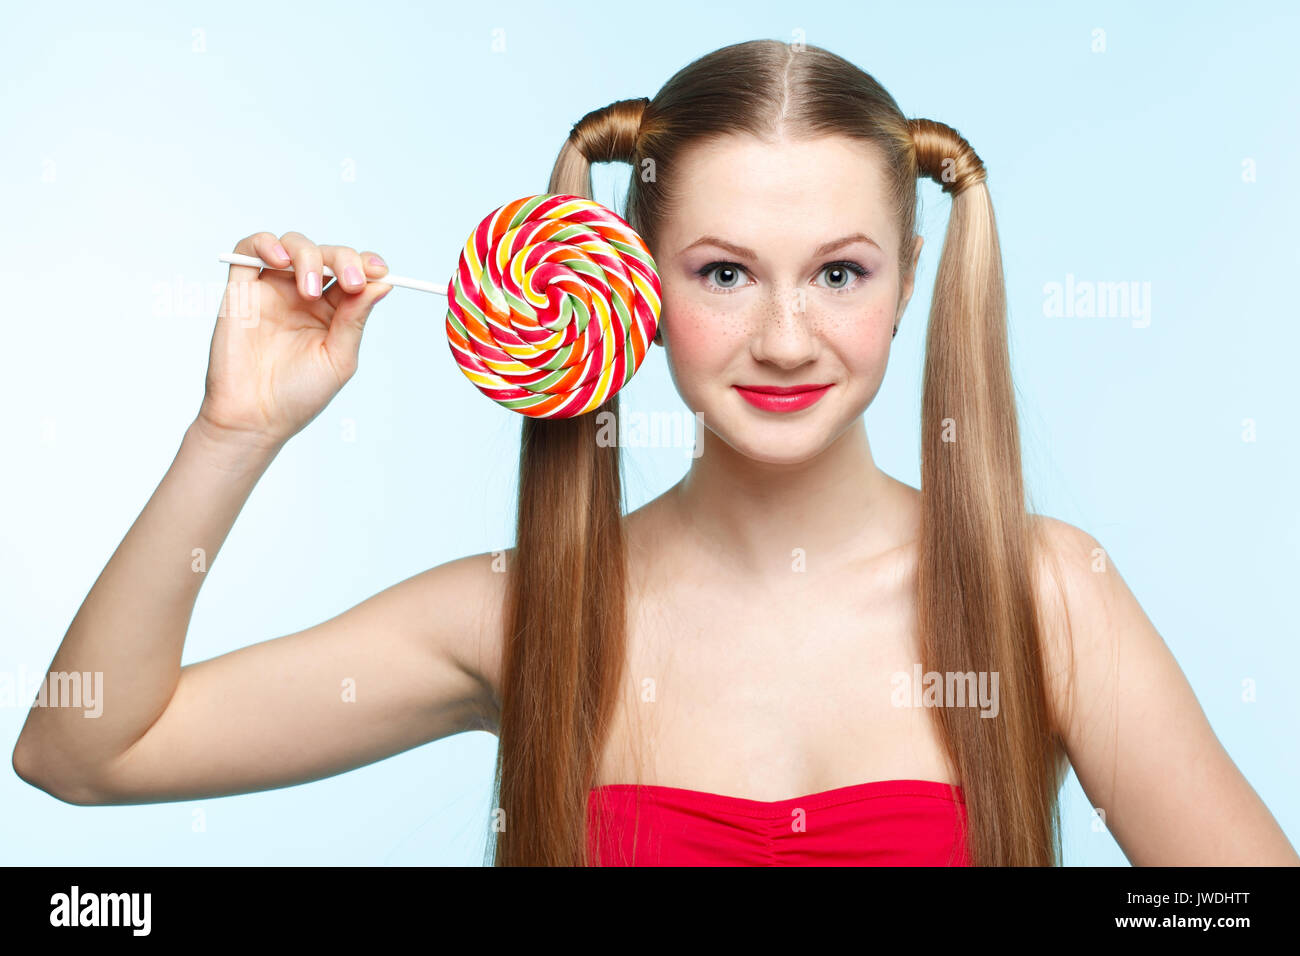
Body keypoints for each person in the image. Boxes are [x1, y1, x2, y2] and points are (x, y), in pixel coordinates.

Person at [13, 39, 1298, 867]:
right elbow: (85, 751)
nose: (786, 338)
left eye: (838, 272)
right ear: (629, 281)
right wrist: (234, 431)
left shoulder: (1045, 595)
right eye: (726, 272)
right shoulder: (522, 613)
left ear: (907, 282)